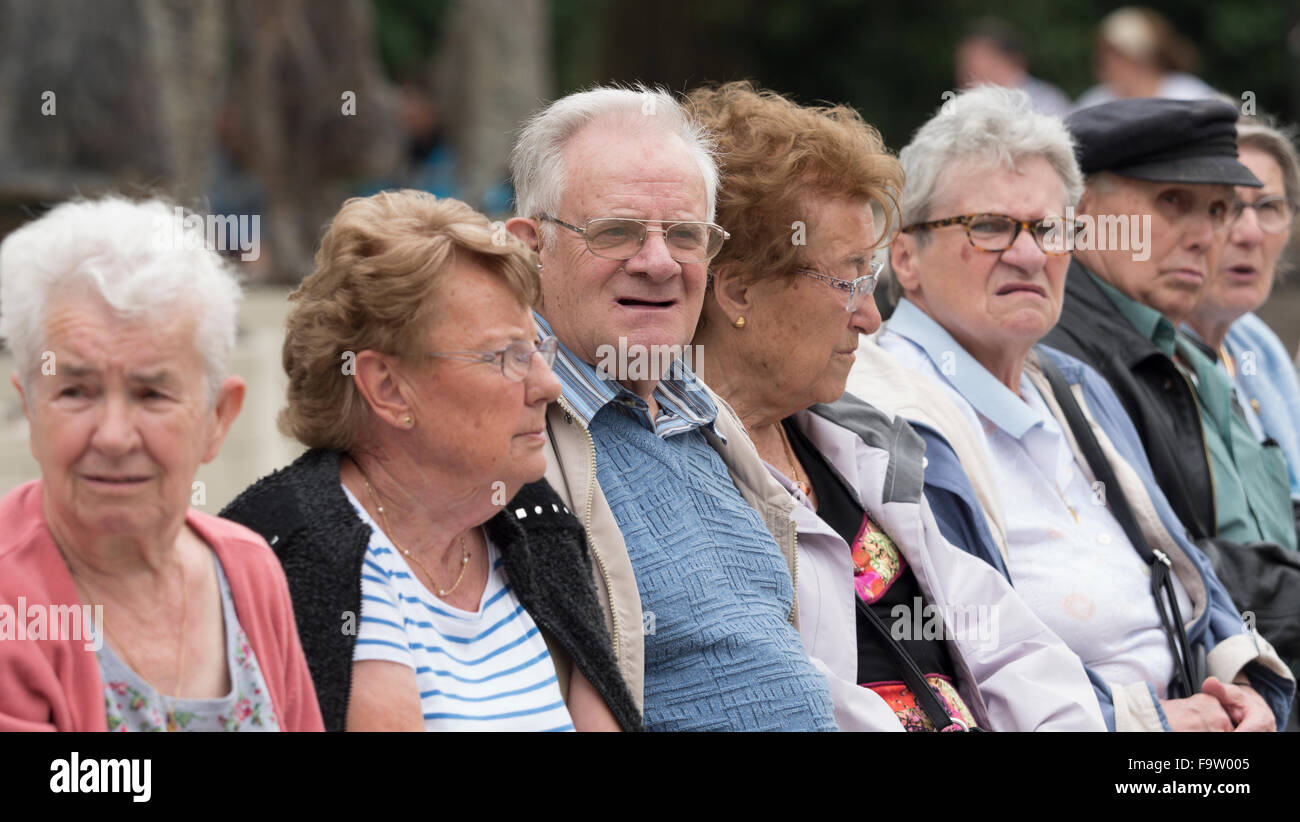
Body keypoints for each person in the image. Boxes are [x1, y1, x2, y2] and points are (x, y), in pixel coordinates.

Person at [865, 86, 1294, 731]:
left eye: (1048, 228)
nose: (1030, 254)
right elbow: (960, 667)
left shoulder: (1067, 381)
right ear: (906, 256)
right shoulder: (885, 411)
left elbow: (1189, 571)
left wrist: (1245, 678)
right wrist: (1148, 725)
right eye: (988, 227)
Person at [687, 81, 1104, 731]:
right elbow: (796, 701)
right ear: (738, 290)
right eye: (848, 279)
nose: (871, 317)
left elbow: (1008, 640)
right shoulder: (677, 473)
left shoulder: (853, 438)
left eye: (869, 279)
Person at [221, 191, 638, 732]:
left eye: (538, 349)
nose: (547, 384)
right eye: (508, 356)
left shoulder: (533, 522)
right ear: (388, 387)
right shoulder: (293, 554)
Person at [505, 85, 837, 731]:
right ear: (529, 246)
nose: (659, 263)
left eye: (685, 235)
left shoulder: (704, 416)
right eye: (617, 232)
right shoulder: (507, 439)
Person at [0, 196, 323, 732]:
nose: (114, 436)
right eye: (76, 391)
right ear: (30, 410)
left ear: (218, 418)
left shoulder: (248, 568)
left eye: (151, 394)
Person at [1043, 98, 1297, 554]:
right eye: (1173, 201)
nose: (1205, 237)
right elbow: (1181, 571)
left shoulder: (1184, 344)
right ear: (1082, 208)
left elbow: (1269, 525)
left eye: (1217, 210)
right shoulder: (1062, 354)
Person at [1185, 117, 1300, 499]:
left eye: (1269, 206)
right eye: (1227, 206)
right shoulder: (1147, 356)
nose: (1250, 233)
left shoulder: (1257, 344)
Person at [1073, 6, 1217, 111]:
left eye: (1118, 57)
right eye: (1105, 55)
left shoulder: (1189, 94)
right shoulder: (1093, 102)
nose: (1108, 63)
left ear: (1143, 58)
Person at [955, 18, 1071, 118]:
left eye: (978, 62)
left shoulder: (1045, 102)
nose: (965, 76)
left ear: (1012, 61)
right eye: (963, 64)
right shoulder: (965, 108)